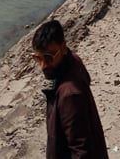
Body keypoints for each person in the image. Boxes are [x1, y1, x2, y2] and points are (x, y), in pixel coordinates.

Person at [31, 20, 107, 158]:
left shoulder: (69, 94)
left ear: (63, 47)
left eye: (48, 58)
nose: (43, 66)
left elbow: (81, 150)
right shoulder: (73, 60)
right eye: (37, 58)